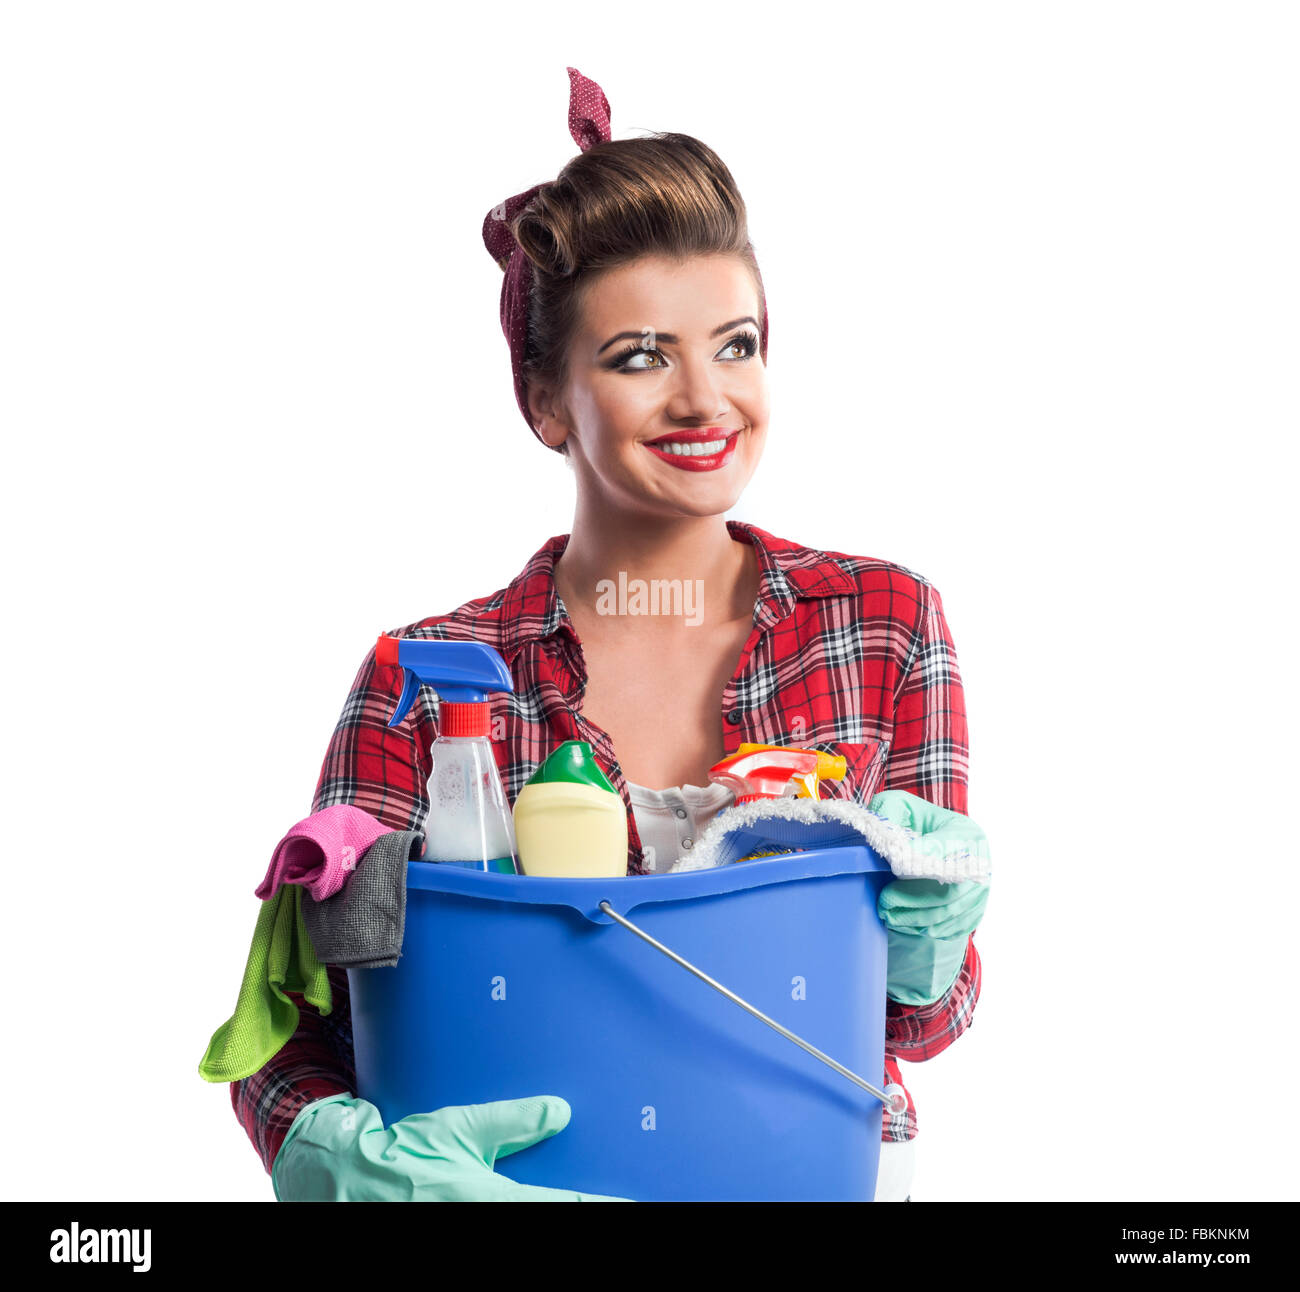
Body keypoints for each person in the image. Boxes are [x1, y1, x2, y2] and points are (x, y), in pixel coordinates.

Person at [236, 68, 984, 1203]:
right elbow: (291, 1024)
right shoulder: (424, 678)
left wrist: (936, 937)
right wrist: (330, 1156)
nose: (705, 398)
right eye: (639, 356)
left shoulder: (881, 624)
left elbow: (918, 1018)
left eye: (735, 344)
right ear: (545, 402)